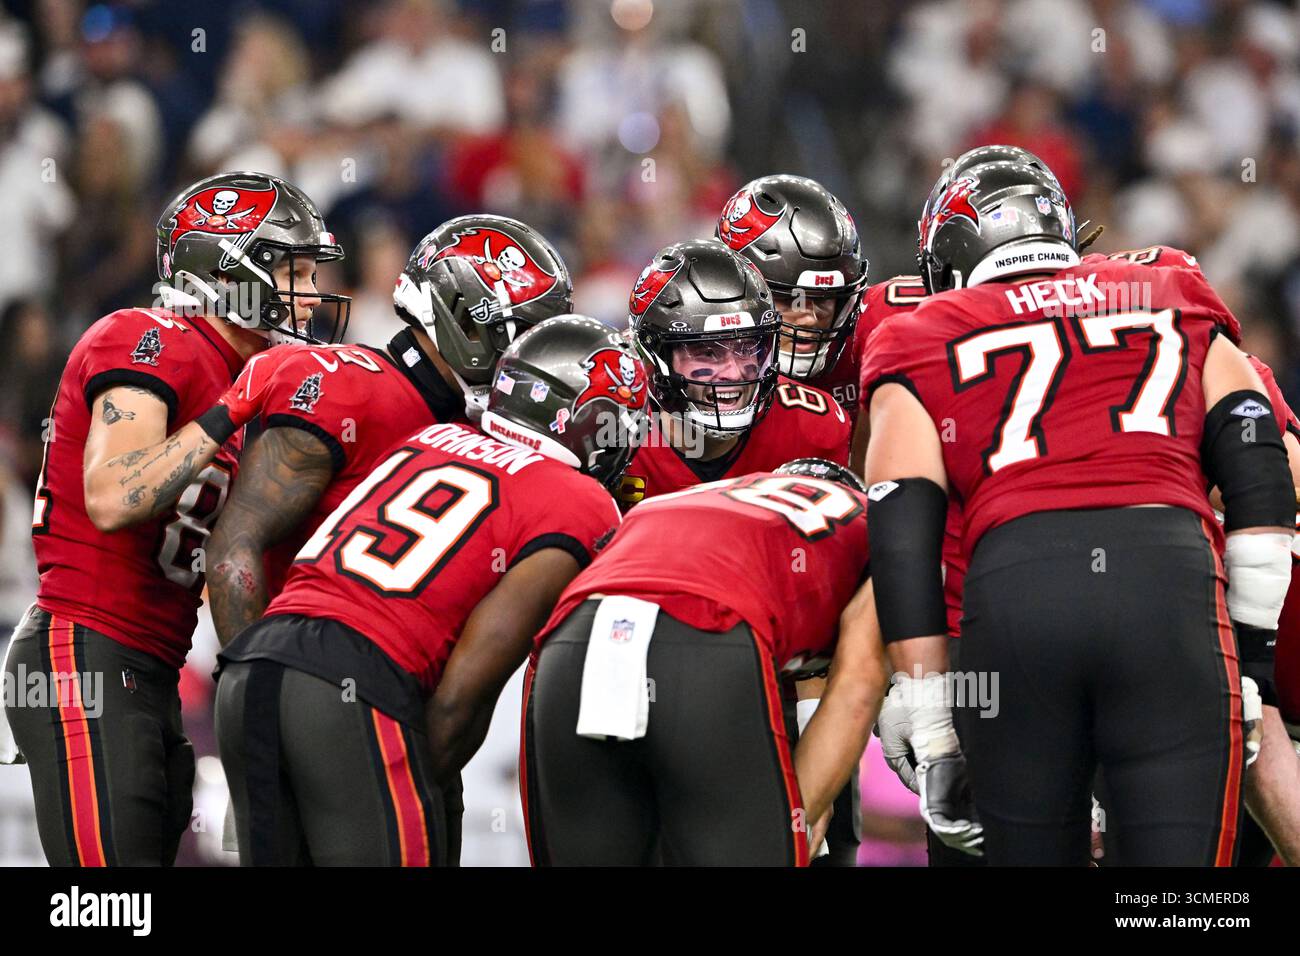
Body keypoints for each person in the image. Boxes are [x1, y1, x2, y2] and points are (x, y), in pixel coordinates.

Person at [860, 158, 1294, 865]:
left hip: (1016, 596)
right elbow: (1261, 470)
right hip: (1172, 589)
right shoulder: (1165, 285)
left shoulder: (921, 330)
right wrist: (1254, 662)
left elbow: (901, 530)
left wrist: (927, 707)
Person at [4, 171, 347, 865]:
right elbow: (111, 496)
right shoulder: (147, 338)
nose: (310, 295)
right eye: (295, 271)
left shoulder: (251, 374)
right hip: (84, 649)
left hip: (154, 664)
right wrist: (231, 411)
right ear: (229, 270)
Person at [214, 316, 646, 866]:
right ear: (590, 421)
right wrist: (415, 790)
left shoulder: (432, 437)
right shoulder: (580, 501)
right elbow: (465, 691)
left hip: (251, 666)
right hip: (352, 684)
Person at [525, 458, 886, 866]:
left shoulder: (691, 500)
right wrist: (790, 822)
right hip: (704, 634)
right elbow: (859, 682)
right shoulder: (876, 528)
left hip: (574, 638)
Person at [616, 238, 849, 512]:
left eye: (748, 347)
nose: (734, 372)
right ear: (652, 357)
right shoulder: (609, 427)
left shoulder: (811, 428)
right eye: (707, 352)